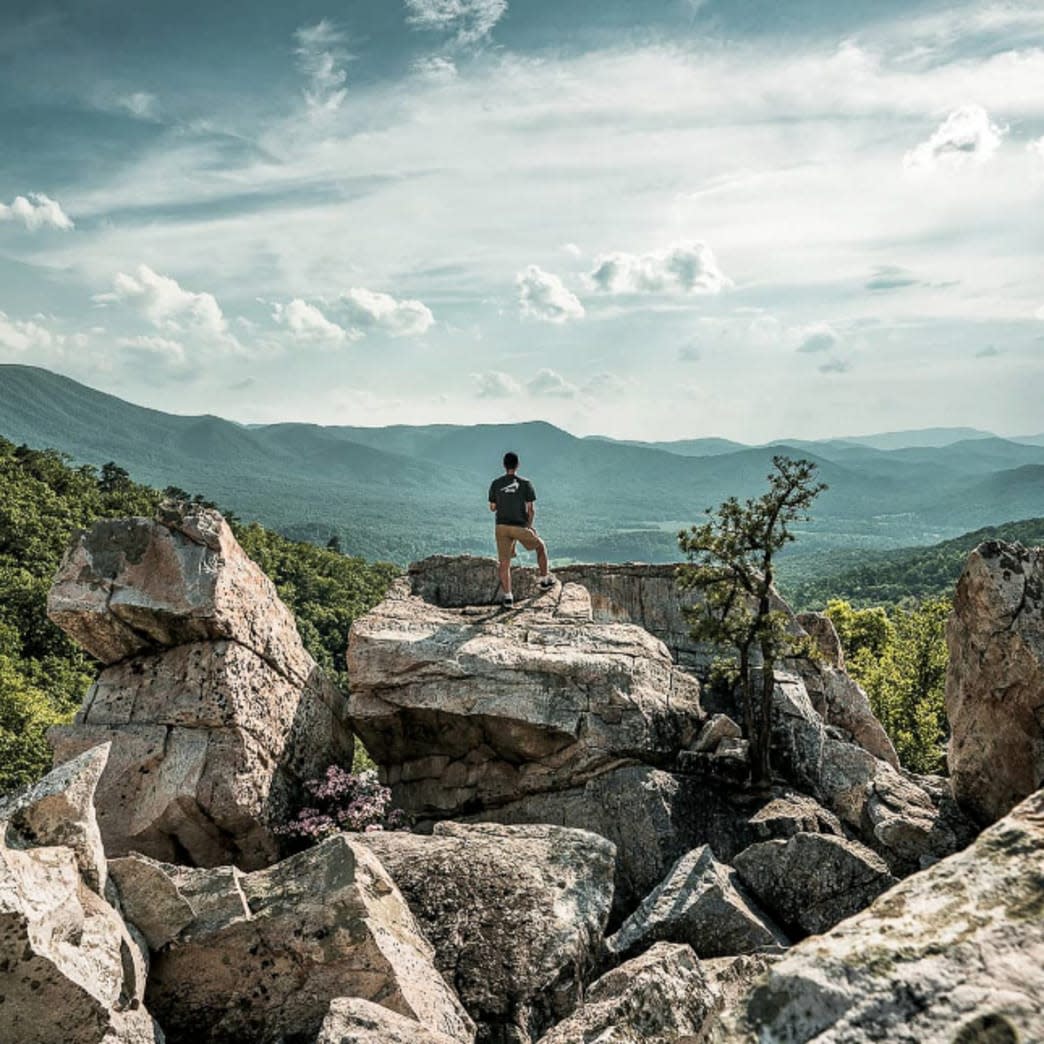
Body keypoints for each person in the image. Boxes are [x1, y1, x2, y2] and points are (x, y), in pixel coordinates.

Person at [488, 451, 554, 606]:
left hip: (501, 527)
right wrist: (529, 527)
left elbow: (492, 507)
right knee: (541, 546)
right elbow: (531, 510)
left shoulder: (496, 483)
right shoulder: (525, 484)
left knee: (504, 563)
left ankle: (508, 597)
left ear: (504, 465)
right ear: (517, 465)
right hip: (519, 526)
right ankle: (544, 580)